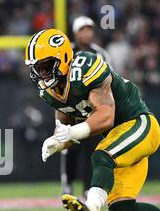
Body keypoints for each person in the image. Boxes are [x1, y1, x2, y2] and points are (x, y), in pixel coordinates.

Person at [25, 28, 160, 211]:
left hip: (138, 125)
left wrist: (72, 133)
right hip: (121, 141)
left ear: (64, 58)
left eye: (46, 66)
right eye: (37, 68)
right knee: (121, 209)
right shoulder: (50, 92)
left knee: (101, 156)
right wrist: (56, 142)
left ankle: (91, 206)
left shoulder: (84, 67)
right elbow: (64, 128)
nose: (43, 74)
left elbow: (106, 116)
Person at [60, 16, 111, 196]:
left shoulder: (101, 54)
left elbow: (108, 81)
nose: (87, 33)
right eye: (83, 30)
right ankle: (68, 186)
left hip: (93, 109)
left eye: (89, 29)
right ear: (75, 32)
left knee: (93, 151)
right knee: (69, 148)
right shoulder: (66, 52)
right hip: (72, 108)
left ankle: (88, 189)